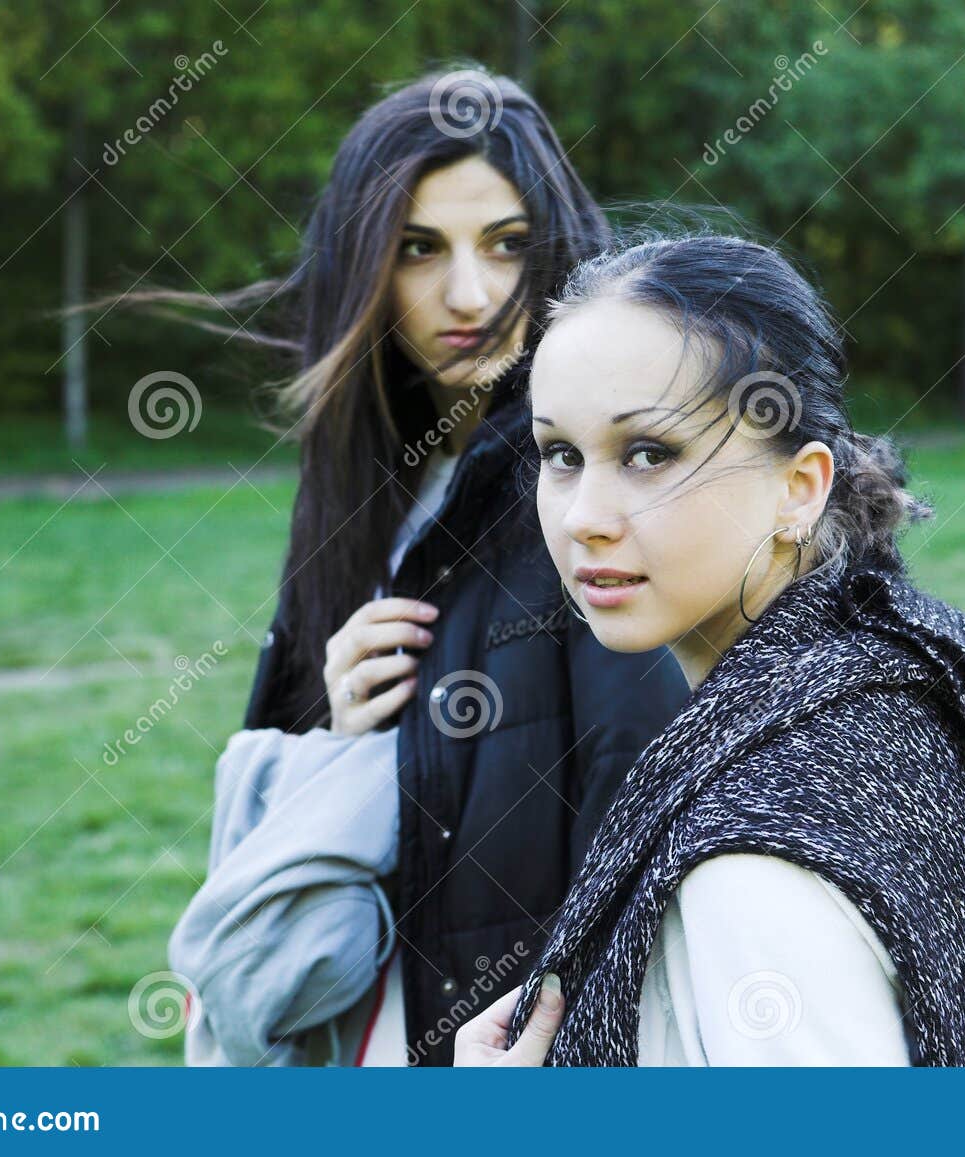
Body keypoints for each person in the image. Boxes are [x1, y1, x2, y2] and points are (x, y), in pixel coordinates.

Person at [453, 232, 965, 1066]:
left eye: (648, 453)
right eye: (561, 454)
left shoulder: (755, 868)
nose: (583, 514)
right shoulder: (906, 673)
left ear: (798, 487)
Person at [160, 69, 690, 1067]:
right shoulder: (365, 489)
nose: (469, 294)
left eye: (506, 244)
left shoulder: (596, 494)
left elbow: (652, 815)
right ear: (364, 269)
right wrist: (344, 725)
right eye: (417, 249)